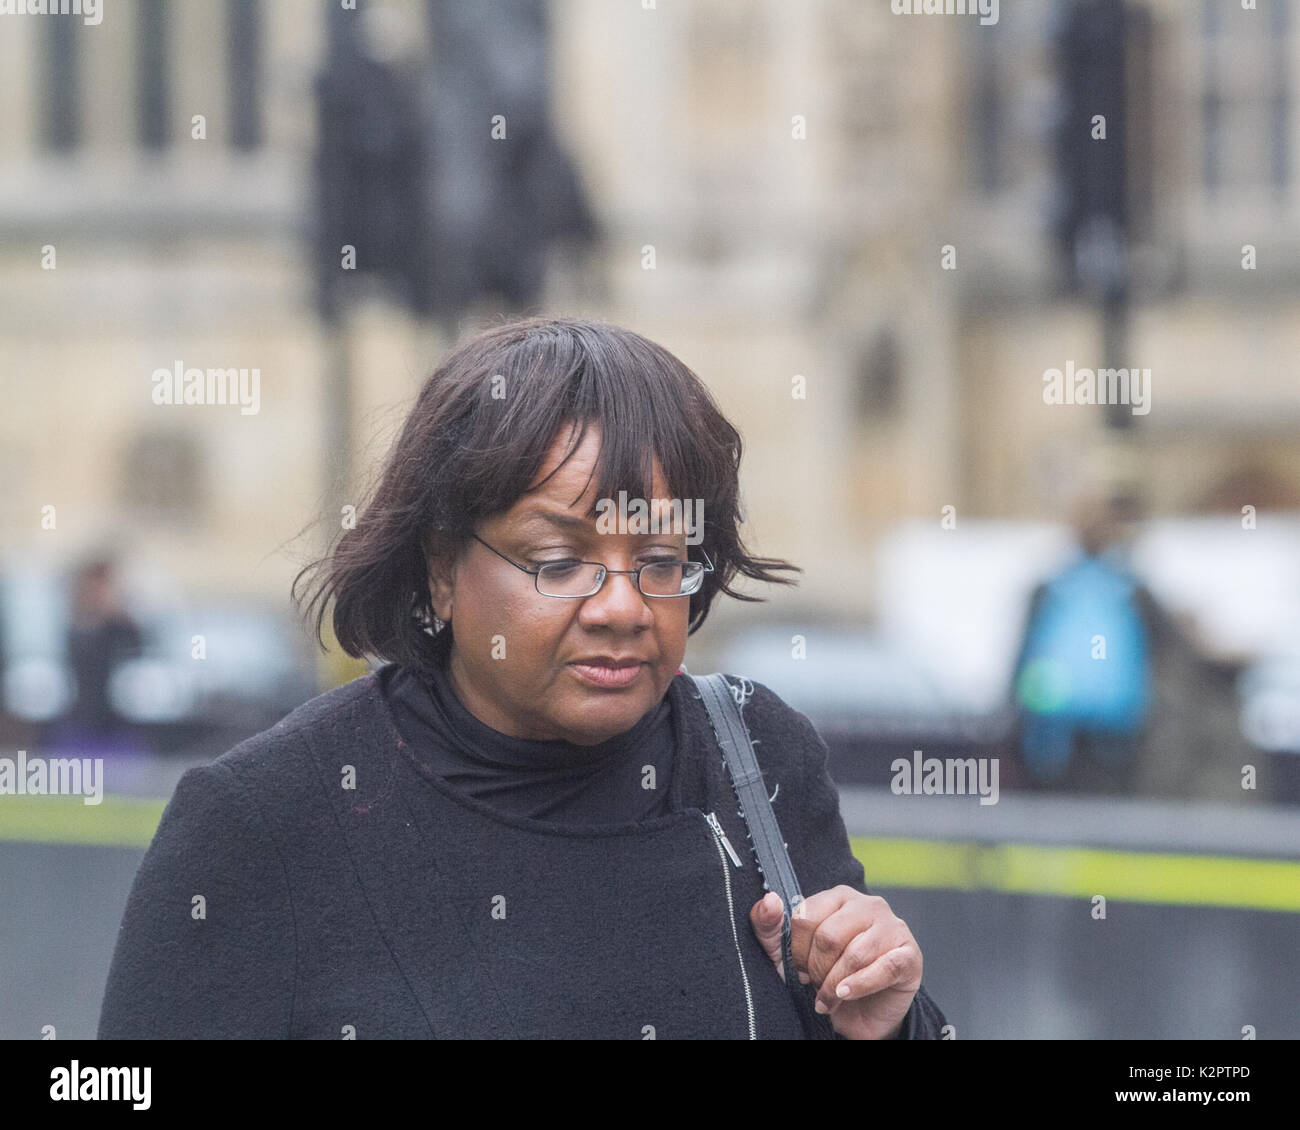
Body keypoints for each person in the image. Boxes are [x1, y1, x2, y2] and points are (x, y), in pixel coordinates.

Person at [98, 316, 947, 1040]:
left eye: (659, 559)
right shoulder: (264, 818)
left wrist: (890, 1018)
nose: (622, 606)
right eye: (557, 560)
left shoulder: (758, 758)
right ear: (440, 567)